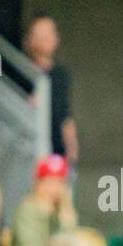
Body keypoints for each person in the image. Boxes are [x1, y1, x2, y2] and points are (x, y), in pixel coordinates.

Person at [24, 15, 78, 166]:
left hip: (56, 153)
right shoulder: (20, 71)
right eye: (41, 34)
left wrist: (72, 150)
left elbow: (65, 115)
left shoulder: (60, 75)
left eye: (50, 33)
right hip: (28, 153)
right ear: (29, 40)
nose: (47, 38)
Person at [11, 154, 78, 246]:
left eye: (60, 182)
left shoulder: (63, 212)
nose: (55, 188)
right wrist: (44, 215)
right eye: (50, 181)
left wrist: (65, 218)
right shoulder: (28, 209)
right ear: (39, 183)